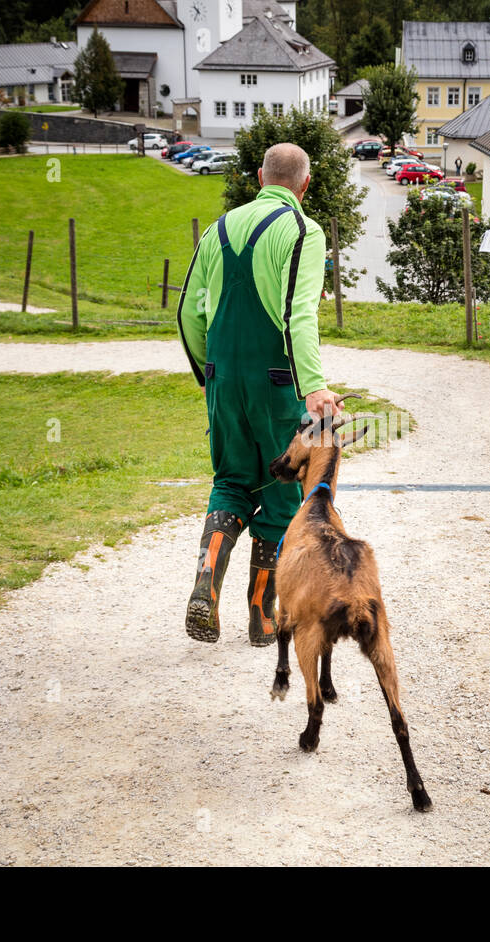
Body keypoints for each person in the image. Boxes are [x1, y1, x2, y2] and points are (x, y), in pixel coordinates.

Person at [176, 143, 345, 646]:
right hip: (277, 379)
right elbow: (299, 314)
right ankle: (262, 617)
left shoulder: (217, 230)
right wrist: (313, 385)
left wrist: (209, 372)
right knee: (277, 491)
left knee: (230, 481)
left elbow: (188, 312)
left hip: (222, 375)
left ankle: (206, 582)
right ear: (305, 185)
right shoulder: (302, 232)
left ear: (258, 177)